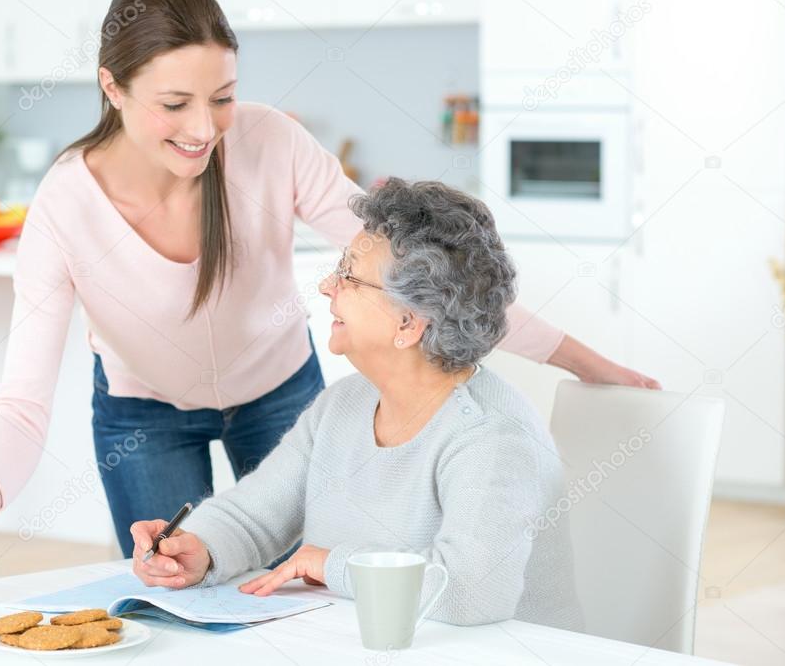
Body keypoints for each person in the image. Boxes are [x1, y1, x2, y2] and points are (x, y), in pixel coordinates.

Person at [0, 0, 656, 579]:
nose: (203, 127)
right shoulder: (65, 204)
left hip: (281, 399)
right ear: (112, 89)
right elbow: (24, 399)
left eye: (221, 98)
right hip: (142, 417)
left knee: (300, 585)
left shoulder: (269, 143)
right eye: (174, 103)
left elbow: (423, 273)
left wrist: (590, 365)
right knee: (175, 581)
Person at [130, 179, 583, 630]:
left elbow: (471, 593)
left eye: (348, 275)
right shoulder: (345, 403)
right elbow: (253, 517)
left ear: (408, 322)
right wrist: (199, 550)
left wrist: (331, 566)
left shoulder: (493, 435)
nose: (328, 286)